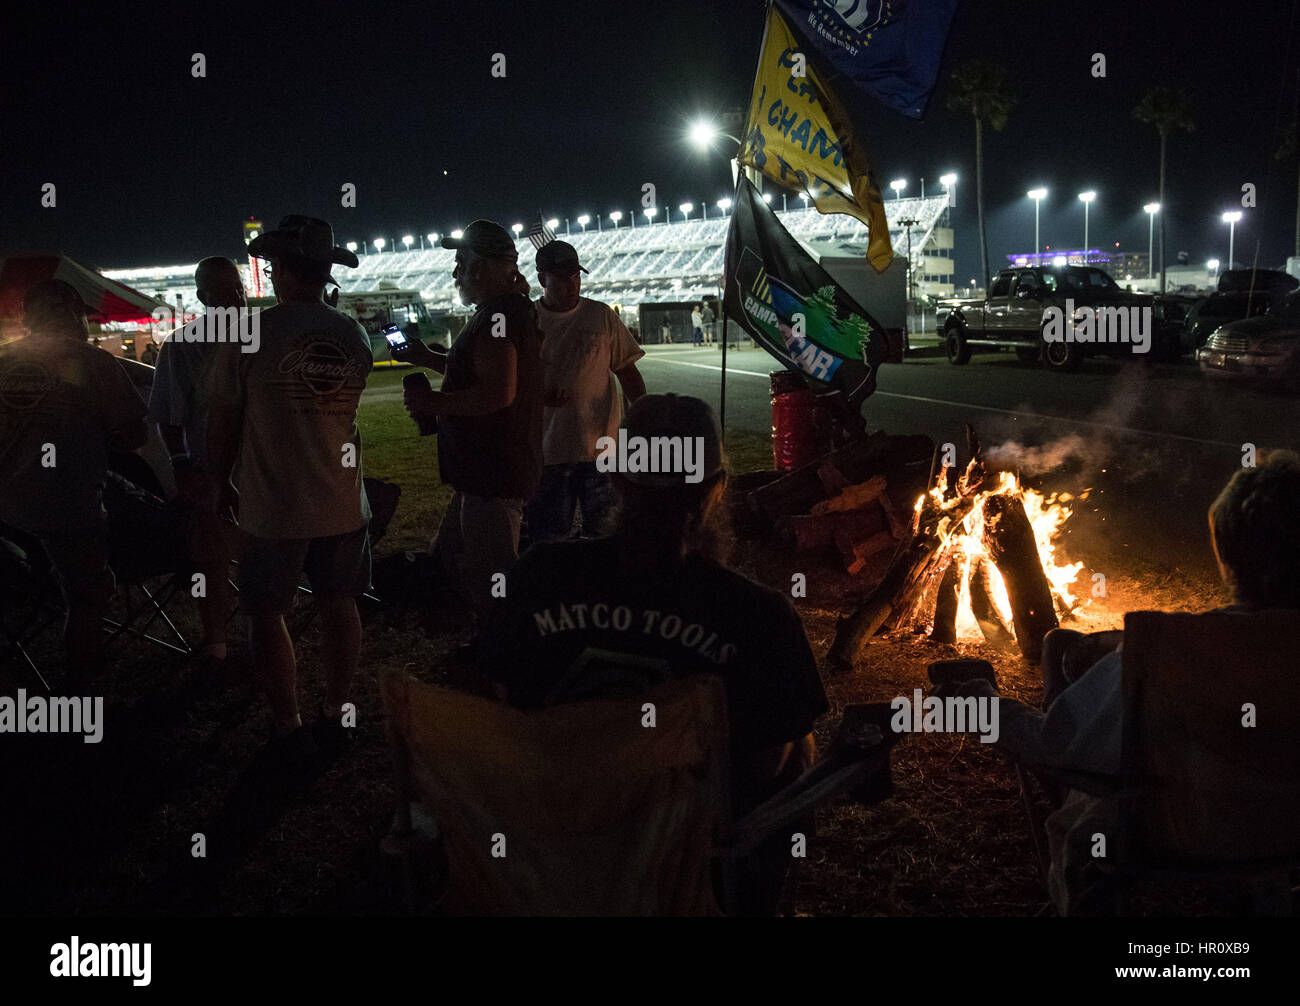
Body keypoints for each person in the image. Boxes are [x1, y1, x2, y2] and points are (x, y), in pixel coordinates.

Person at [479, 393, 828, 913]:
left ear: (617, 480)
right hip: (685, 873)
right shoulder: (757, 617)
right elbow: (763, 767)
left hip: (550, 859)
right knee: (799, 750)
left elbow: (492, 707)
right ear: (716, 491)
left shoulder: (537, 575)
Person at [938, 451, 1300, 911]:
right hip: (1285, 839)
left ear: (1227, 555)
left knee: (1080, 815)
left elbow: (1057, 746)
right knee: (1061, 646)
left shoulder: (1169, 650)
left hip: (1172, 836)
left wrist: (982, 703)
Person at [204, 216, 372, 754]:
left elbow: (223, 421)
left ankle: (287, 722)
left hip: (274, 505)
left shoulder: (250, 333)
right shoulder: (354, 333)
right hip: (343, 500)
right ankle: (337, 705)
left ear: (281, 271)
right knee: (340, 603)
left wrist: (213, 484)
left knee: (266, 611)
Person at [398, 219, 544, 652]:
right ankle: (485, 637)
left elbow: (499, 392)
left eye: (461, 263)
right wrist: (428, 357)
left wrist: (434, 406)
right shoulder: (505, 311)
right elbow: (487, 375)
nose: (455, 273)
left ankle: (509, 656)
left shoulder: (499, 315)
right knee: (458, 559)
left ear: (482, 267)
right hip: (485, 469)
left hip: (492, 469)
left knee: (493, 574)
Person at [0, 279, 147, 681]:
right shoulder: (92, 362)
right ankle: (83, 691)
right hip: (66, 506)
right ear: (72, 314)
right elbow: (134, 436)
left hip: (9, 513)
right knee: (87, 600)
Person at [148, 257, 245, 673]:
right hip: (210, 467)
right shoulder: (181, 344)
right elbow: (168, 413)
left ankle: (262, 632)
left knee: (261, 555)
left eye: (238, 289)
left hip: (260, 468)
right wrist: (182, 463)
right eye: (224, 291)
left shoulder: (261, 334)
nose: (236, 298)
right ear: (204, 297)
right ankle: (218, 642)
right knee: (213, 558)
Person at [526, 240, 645, 544]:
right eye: (561, 277)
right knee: (549, 539)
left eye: (575, 275)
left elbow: (626, 371)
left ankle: (600, 591)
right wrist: (540, 396)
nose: (571, 283)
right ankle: (556, 591)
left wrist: (642, 415)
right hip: (547, 451)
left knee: (607, 535)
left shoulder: (601, 315)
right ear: (542, 279)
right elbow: (510, 382)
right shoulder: (526, 321)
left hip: (602, 450)